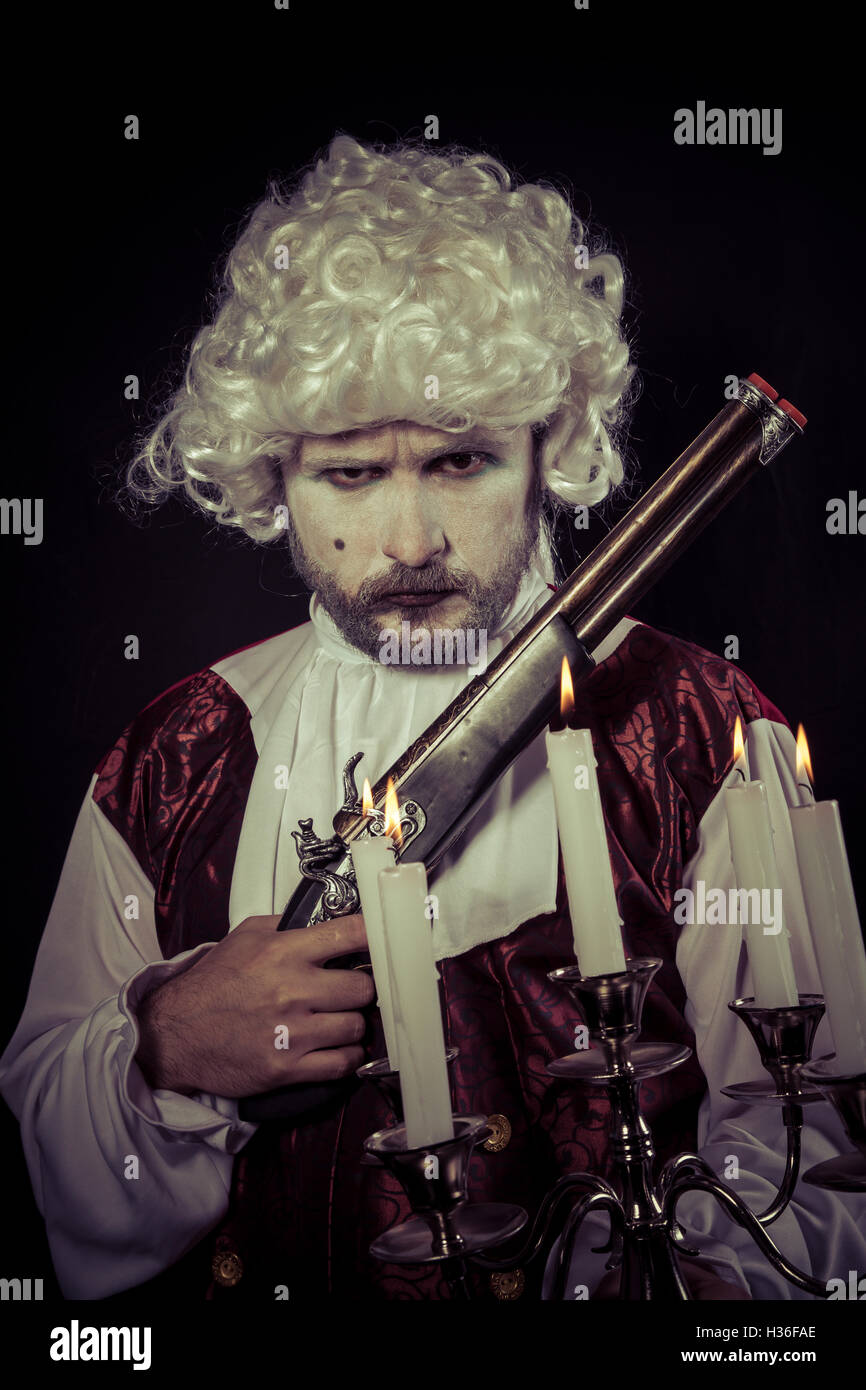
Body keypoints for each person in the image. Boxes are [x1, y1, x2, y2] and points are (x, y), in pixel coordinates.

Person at [1, 134, 863, 1303]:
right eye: (350, 475)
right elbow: (59, 1185)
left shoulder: (707, 737)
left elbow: (816, 1172)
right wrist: (156, 1048)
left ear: (545, 451)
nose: (409, 544)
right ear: (272, 479)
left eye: (458, 460)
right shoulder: (175, 755)